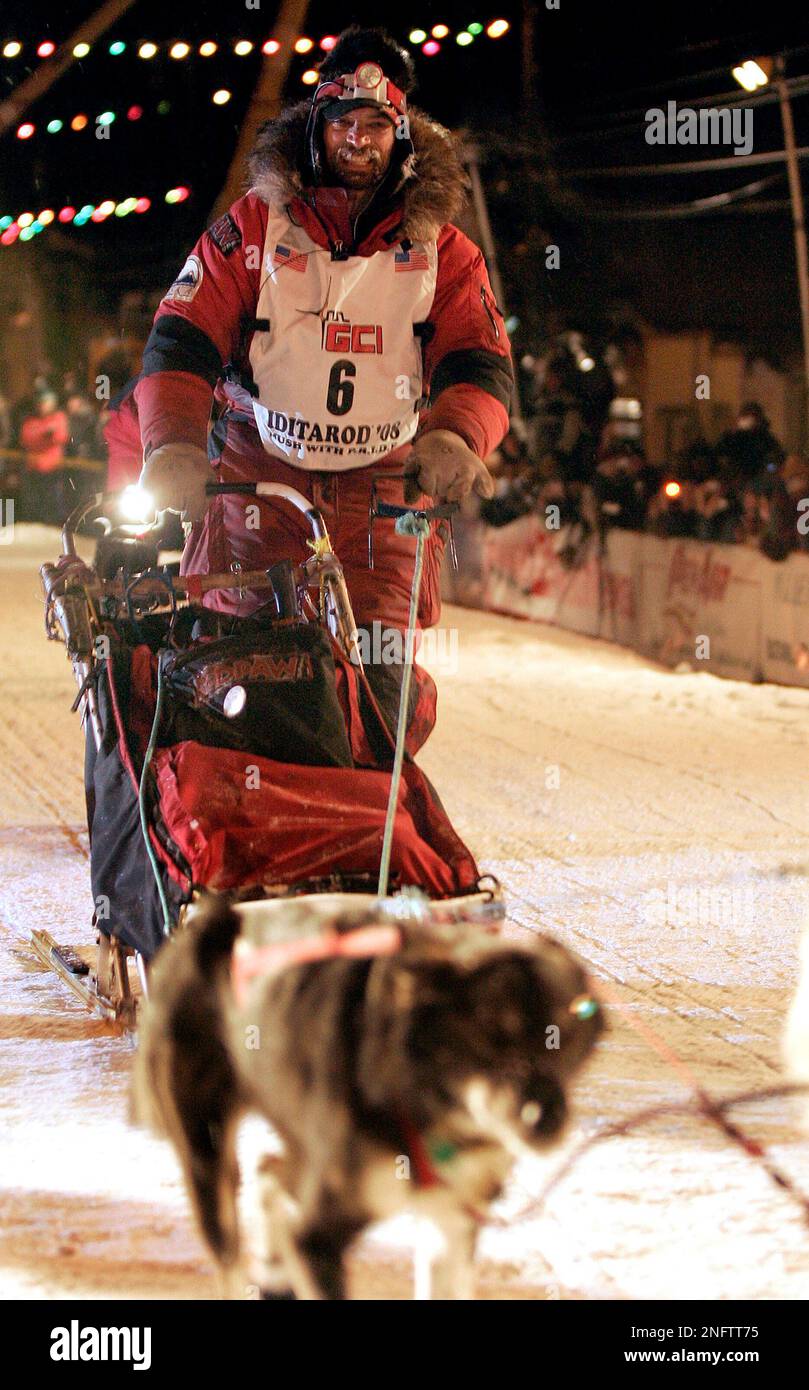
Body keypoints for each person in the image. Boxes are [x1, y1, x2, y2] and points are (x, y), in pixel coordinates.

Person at [136, 25, 513, 748]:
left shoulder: (442, 249)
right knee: (244, 675)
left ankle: (362, 835)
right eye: (343, 122)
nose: (357, 140)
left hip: (385, 487)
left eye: (375, 125)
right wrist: (174, 445)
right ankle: (243, 826)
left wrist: (457, 433)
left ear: (399, 136)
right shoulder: (253, 228)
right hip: (261, 475)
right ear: (317, 129)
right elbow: (180, 338)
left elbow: (478, 354)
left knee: (380, 697)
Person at [19, 390, 70, 524]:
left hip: (52, 468)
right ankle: (34, 521)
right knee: (34, 499)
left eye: (46, 403)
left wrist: (42, 436)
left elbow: (60, 436)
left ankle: (54, 523)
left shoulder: (59, 417)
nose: (42, 406)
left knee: (53, 499)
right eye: (41, 403)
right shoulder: (30, 420)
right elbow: (26, 438)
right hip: (33, 467)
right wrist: (45, 434)